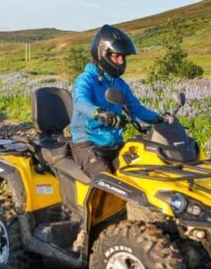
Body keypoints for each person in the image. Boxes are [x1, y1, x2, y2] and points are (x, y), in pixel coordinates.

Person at [69, 24, 172, 179]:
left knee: (145, 169)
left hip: (115, 143)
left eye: (123, 57)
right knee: (107, 181)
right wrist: (99, 113)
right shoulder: (85, 80)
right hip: (88, 143)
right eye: (116, 56)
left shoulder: (119, 84)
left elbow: (136, 109)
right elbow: (80, 102)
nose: (120, 61)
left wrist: (159, 118)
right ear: (102, 53)